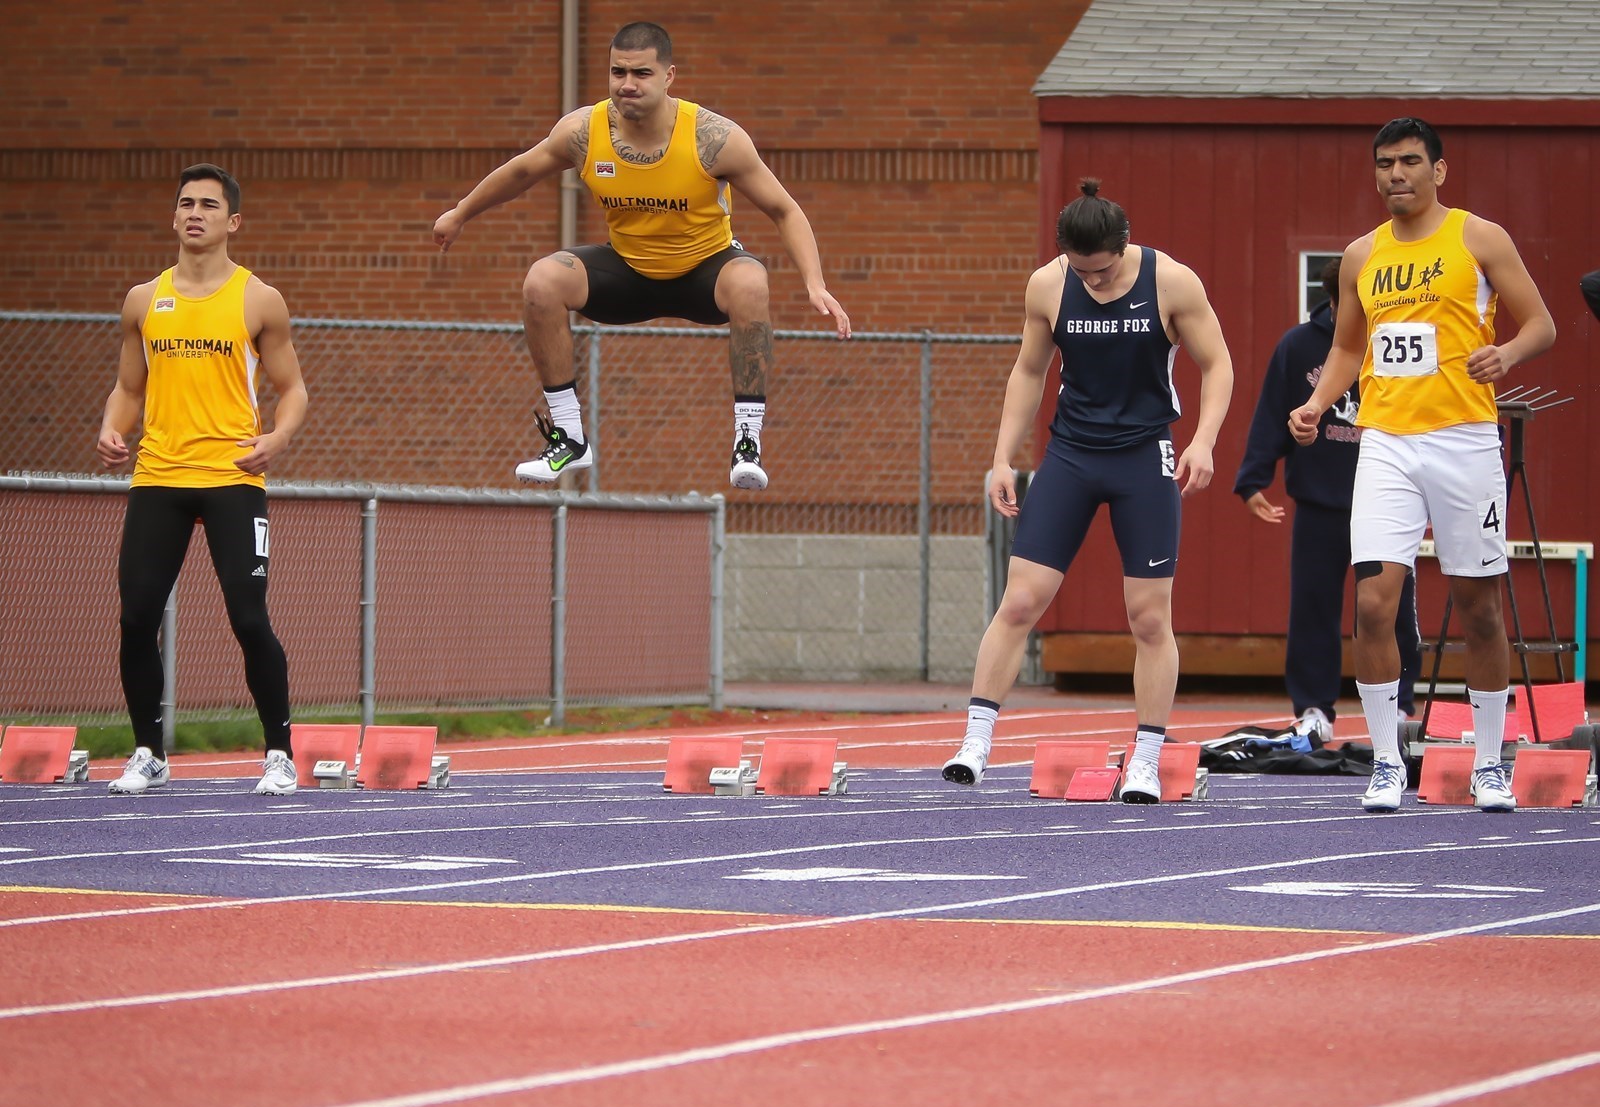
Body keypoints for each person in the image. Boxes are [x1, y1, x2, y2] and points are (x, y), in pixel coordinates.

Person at [432, 21, 851, 491]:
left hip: (704, 272)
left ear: (669, 76)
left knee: (751, 279)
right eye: (617, 72)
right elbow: (522, 171)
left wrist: (814, 282)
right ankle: (569, 436)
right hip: (629, 271)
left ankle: (747, 440)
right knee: (542, 280)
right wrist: (460, 212)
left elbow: (784, 209)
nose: (627, 84)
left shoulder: (712, 138)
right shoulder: (584, 132)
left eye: (642, 74)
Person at [1290, 117, 1556, 814]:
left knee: (1479, 606)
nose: (1396, 175)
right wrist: (1318, 404)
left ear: (1439, 170)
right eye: (1384, 164)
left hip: (1465, 438)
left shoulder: (1479, 237)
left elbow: (1541, 323)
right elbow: (1349, 346)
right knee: (1374, 603)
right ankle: (1386, 763)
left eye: (1410, 162)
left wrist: (1509, 354)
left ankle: (1491, 764)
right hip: (1386, 442)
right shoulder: (1360, 255)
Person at [942, 179, 1233, 803]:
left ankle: (1147, 759)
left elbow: (1219, 363)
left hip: (1142, 456)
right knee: (1020, 601)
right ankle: (975, 741)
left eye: (1101, 274)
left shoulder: (1172, 281)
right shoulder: (1048, 285)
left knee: (1149, 616)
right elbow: (1029, 370)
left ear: (1123, 247)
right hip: (1071, 454)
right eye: (1083, 274)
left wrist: (1204, 440)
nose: (1093, 284)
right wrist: (1001, 459)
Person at [96, 162, 308, 797]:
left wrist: (277, 438)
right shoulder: (143, 299)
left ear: (232, 221)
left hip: (231, 476)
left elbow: (293, 389)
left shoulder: (258, 299)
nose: (195, 212)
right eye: (186, 203)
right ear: (174, 216)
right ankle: (148, 752)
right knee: (136, 617)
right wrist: (113, 427)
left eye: (209, 205)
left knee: (247, 616)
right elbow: (129, 388)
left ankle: (279, 752)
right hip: (158, 474)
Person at [1235, 255, 1422, 747]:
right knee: (1313, 606)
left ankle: (1400, 704)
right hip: (1319, 500)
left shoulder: (1396, 343)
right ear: (1333, 302)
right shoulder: (1298, 346)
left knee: (1393, 610)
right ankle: (1315, 708)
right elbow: (1274, 411)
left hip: (1385, 500)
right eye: (1348, 305)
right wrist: (1254, 480)